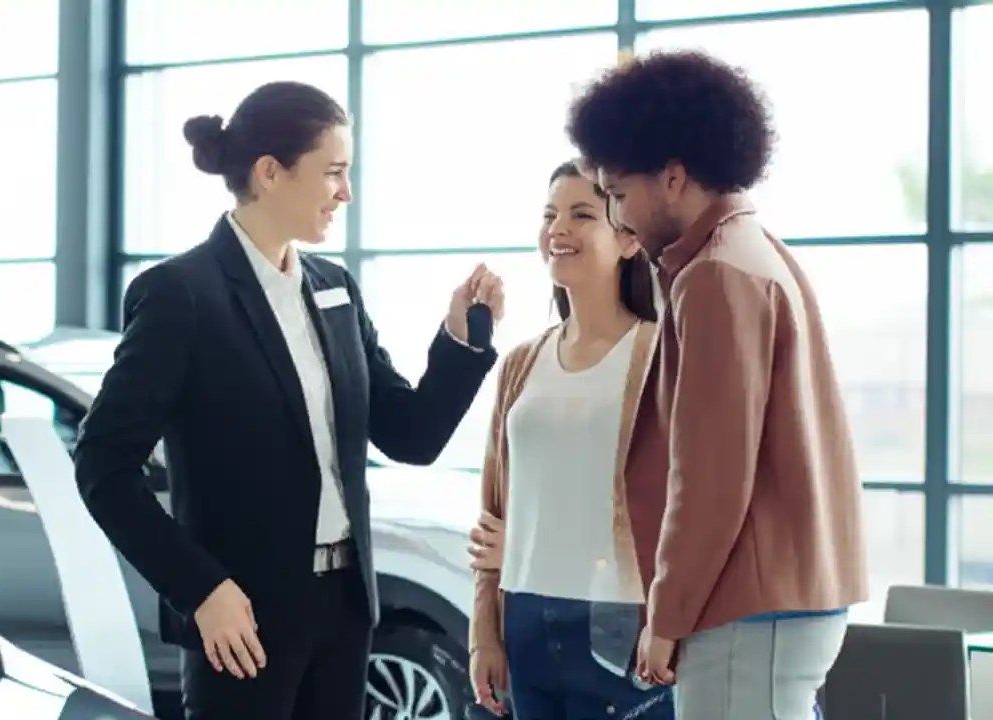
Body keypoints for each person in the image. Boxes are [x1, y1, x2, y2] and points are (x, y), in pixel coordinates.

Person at [72, 79, 505, 720]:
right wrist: (202, 591)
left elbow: (411, 437)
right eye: (333, 172)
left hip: (344, 610)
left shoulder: (335, 290)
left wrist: (461, 346)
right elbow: (103, 469)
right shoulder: (180, 294)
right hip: (241, 618)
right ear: (271, 173)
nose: (346, 193)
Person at [565, 50, 868, 718]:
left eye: (618, 193)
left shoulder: (715, 277)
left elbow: (708, 478)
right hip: (783, 600)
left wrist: (667, 617)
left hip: (747, 607)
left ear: (672, 176)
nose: (619, 218)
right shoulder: (751, 251)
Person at [466, 160, 673, 719]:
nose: (558, 229)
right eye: (550, 214)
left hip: (624, 623)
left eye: (582, 214)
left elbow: (682, 505)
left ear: (629, 238)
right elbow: (493, 516)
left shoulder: (660, 355)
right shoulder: (520, 364)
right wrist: (484, 632)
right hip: (528, 622)